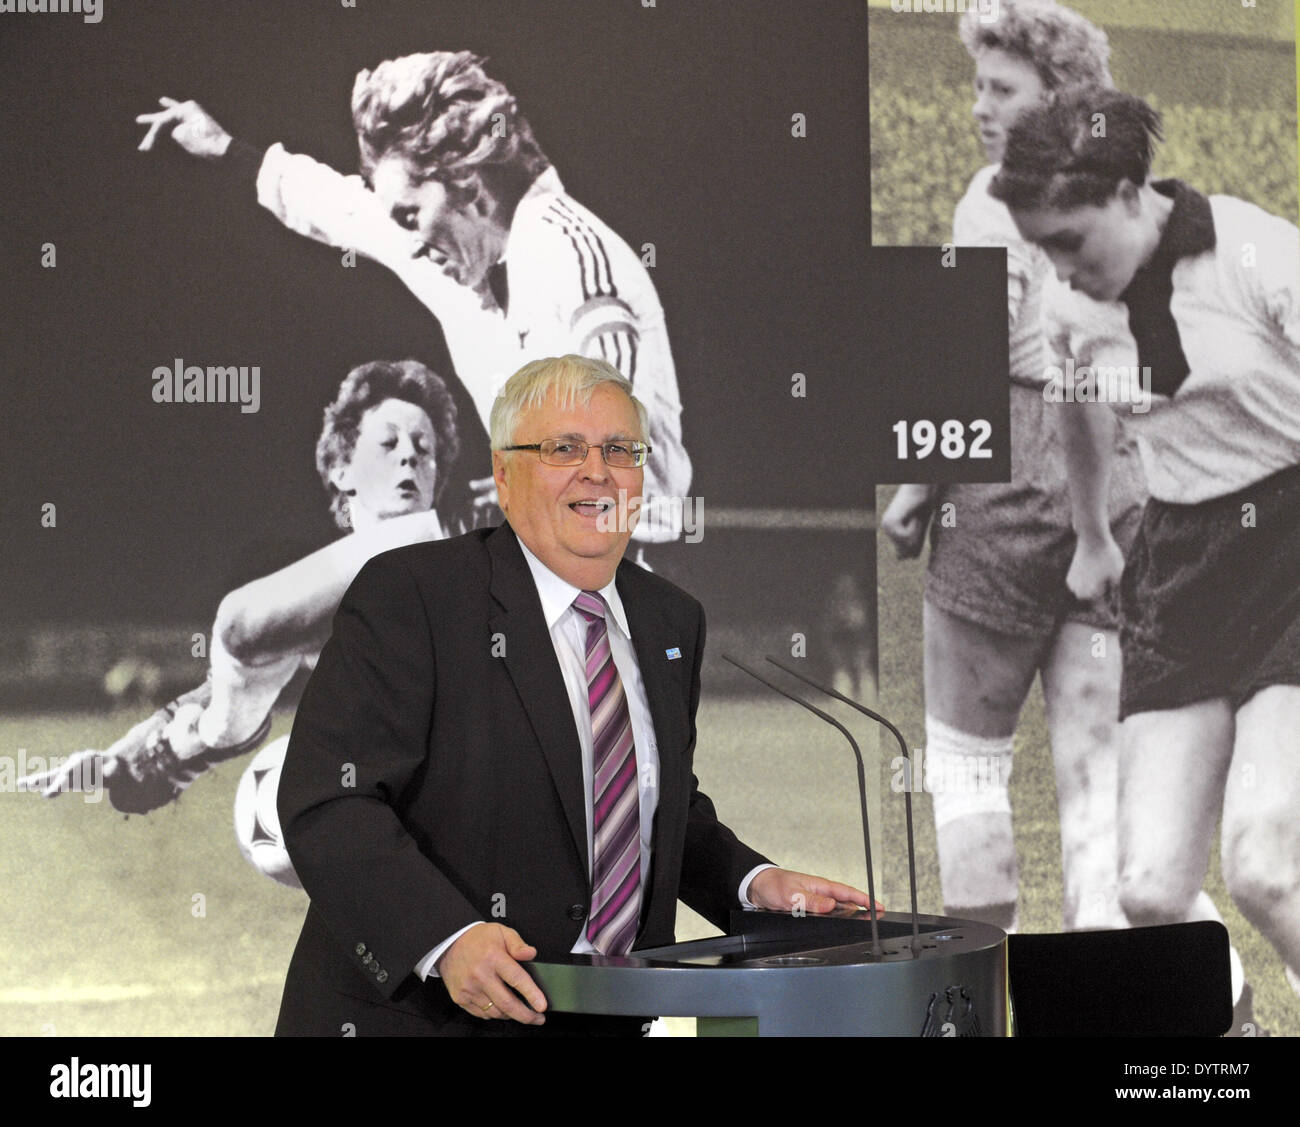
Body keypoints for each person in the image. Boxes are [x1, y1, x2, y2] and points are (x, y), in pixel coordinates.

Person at [273, 354, 880, 1036]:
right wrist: (445, 941)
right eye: (565, 448)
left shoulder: (671, 619)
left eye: (620, 449)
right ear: (504, 474)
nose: (599, 471)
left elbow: (646, 811)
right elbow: (330, 801)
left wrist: (750, 881)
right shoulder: (413, 596)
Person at [992, 86, 1300, 1008]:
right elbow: (1080, 404)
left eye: (1071, 240)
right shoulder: (1073, 306)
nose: (1060, 267)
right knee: (1151, 890)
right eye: (1043, 245)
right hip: (1181, 559)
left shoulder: (1260, 258)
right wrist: (1092, 533)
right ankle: (1236, 1025)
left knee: (1265, 863)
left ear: (1131, 193)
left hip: (1291, 542)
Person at [135, 51, 690, 542]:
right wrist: (226, 149)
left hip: (622, 576)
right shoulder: (454, 247)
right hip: (537, 558)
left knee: (264, 623)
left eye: (410, 214)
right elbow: (343, 211)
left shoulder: (574, 255)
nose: (410, 242)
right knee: (257, 623)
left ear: (469, 186)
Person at [879, 0, 1142, 934]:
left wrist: (914, 490)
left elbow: (971, 346)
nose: (979, 107)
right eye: (976, 86)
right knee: (1092, 776)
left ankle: (979, 1008)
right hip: (1116, 472)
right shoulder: (1125, 191)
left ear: (1057, 95)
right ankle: (1119, 1008)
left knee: (967, 766)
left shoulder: (995, 194)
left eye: (1002, 88)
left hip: (1017, 461)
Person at [21, 360, 463, 815]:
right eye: (388, 443)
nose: (410, 455)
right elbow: (225, 707)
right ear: (342, 470)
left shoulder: (474, 550)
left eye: (424, 449)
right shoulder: (315, 614)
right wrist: (138, 760)